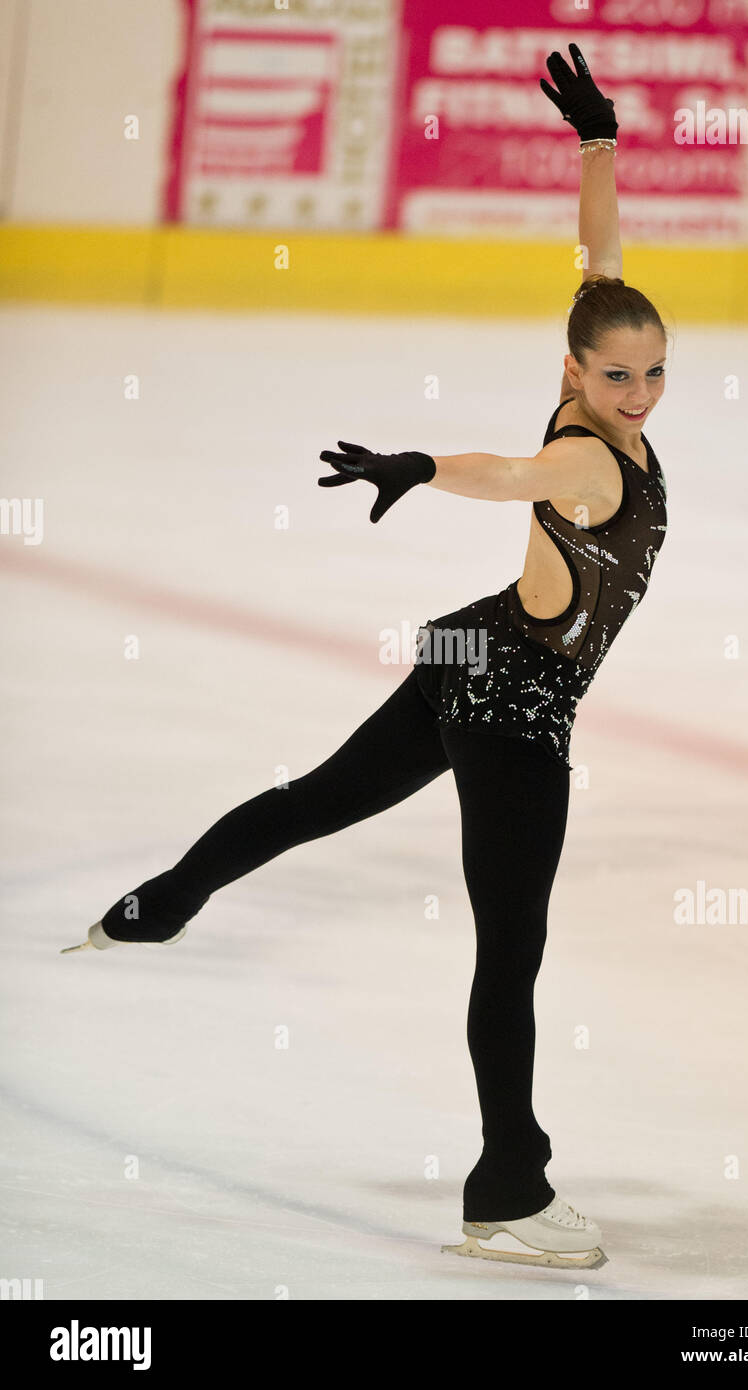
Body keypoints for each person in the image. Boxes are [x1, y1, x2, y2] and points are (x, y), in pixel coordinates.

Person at [63, 45, 668, 1270]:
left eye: (653, 372)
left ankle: (149, 911)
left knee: (319, 799)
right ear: (573, 373)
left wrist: (598, 142)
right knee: (511, 947)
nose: (639, 393)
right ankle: (507, 1188)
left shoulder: (590, 385)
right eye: (617, 374)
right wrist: (417, 465)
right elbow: (514, 476)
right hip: (513, 699)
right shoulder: (585, 453)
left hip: (469, 639)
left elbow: (597, 266)